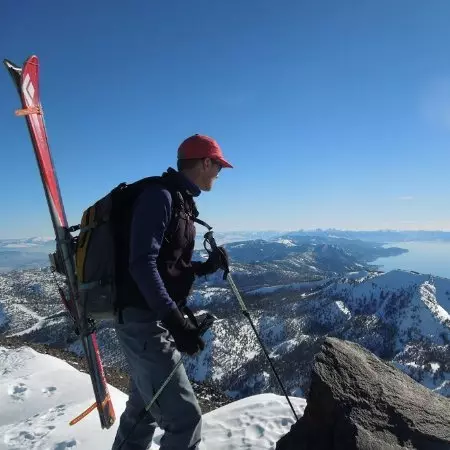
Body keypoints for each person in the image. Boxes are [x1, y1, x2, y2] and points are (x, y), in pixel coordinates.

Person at [111, 134, 233, 450]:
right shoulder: (160, 197)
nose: (219, 175)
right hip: (144, 322)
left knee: (142, 411)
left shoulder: (178, 200)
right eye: (218, 167)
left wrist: (205, 267)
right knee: (185, 420)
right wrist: (175, 320)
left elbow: (167, 267)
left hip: (148, 319)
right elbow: (141, 263)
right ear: (206, 162)